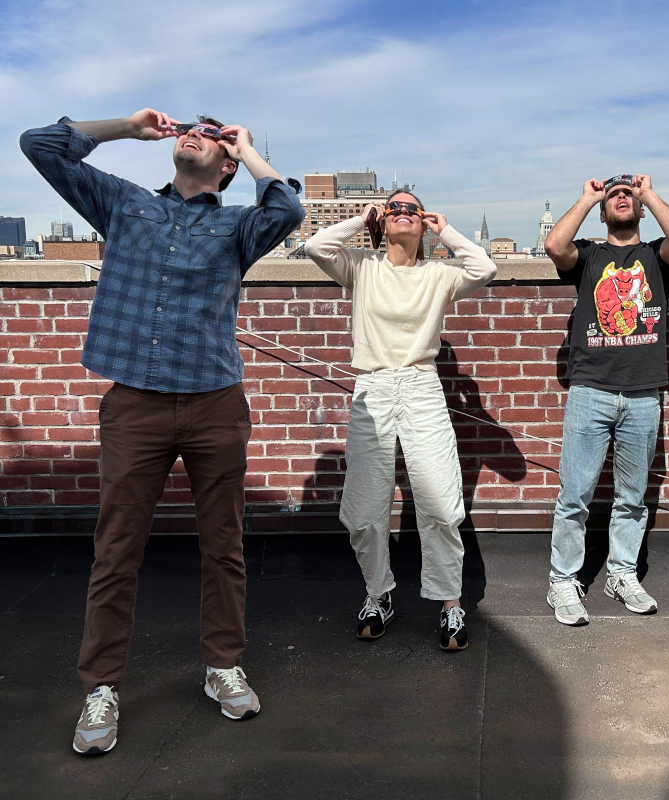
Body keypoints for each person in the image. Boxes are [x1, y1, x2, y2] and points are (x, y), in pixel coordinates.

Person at [21, 110, 305, 754]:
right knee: (116, 550)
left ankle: (222, 665)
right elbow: (38, 144)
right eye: (190, 129)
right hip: (134, 404)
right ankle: (101, 687)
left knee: (223, 545)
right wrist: (129, 126)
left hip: (215, 403)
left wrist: (249, 148)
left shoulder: (238, 225)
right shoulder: (121, 203)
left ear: (227, 167)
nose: (194, 134)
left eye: (212, 134)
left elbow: (287, 208)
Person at [305, 192, 496, 651]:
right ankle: (378, 594)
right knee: (364, 510)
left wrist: (443, 229)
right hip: (372, 387)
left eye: (413, 208)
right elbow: (315, 247)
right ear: (383, 220)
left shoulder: (437, 273)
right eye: (395, 208)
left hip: (422, 386)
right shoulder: (362, 266)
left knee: (441, 502)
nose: (404, 213)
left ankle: (450, 603)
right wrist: (363, 217)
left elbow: (484, 269)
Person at [543, 174, 669, 625]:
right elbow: (554, 245)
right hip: (590, 391)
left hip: (644, 395)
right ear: (605, 211)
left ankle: (621, 573)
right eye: (615, 196)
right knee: (575, 495)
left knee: (632, 498)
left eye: (628, 195)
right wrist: (588, 197)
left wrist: (647, 192)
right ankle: (563, 579)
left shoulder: (656, 258)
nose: (621, 198)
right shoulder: (589, 256)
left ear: (642, 208)